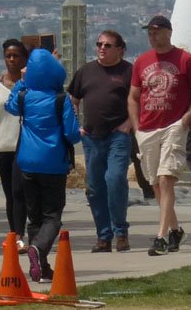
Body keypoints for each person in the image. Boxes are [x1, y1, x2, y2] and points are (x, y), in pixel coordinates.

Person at [129, 14, 191, 257]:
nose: (152, 36)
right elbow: (133, 96)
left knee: (165, 179)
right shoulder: (142, 62)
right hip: (147, 128)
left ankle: (160, 236)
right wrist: (136, 126)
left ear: (168, 32)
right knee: (155, 184)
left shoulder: (185, 60)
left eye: (156, 31)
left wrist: (185, 120)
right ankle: (175, 230)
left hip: (174, 125)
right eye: (149, 32)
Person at [5, 49, 80, 283]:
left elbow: (9, 106)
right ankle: (37, 249)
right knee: (53, 216)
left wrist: (21, 81)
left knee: (34, 216)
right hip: (53, 164)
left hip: (26, 162)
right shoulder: (60, 100)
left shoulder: (24, 96)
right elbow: (72, 134)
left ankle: (40, 268)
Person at [68, 29, 133, 251]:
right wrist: (75, 126)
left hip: (118, 136)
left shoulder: (128, 71)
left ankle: (120, 232)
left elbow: (139, 100)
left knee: (114, 179)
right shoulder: (86, 71)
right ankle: (103, 236)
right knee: (95, 187)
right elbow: (73, 99)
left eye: (107, 45)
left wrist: (128, 125)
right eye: (99, 44)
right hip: (91, 137)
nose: (101, 48)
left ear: (120, 50)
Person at [0, 39, 28, 252]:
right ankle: (15, 233)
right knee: (10, 193)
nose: (12, 59)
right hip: (2, 145)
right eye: (9, 55)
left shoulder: (29, 84)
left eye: (16, 55)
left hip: (25, 145)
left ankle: (22, 234)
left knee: (22, 192)